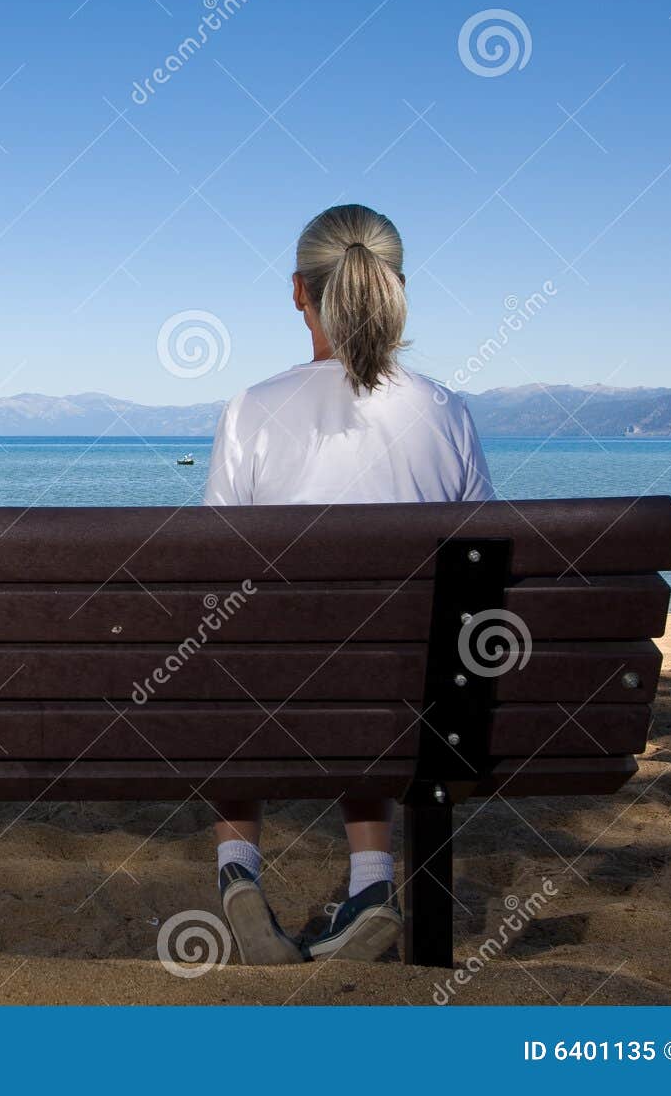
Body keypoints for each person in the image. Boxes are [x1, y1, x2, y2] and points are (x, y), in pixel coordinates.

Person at [203, 203, 494, 963]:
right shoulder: (445, 412)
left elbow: (213, 566)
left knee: (231, 650)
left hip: (271, 697)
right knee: (387, 646)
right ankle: (371, 880)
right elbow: (488, 569)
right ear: (395, 287)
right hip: (417, 709)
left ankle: (238, 871)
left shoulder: (252, 410)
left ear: (299, 291)